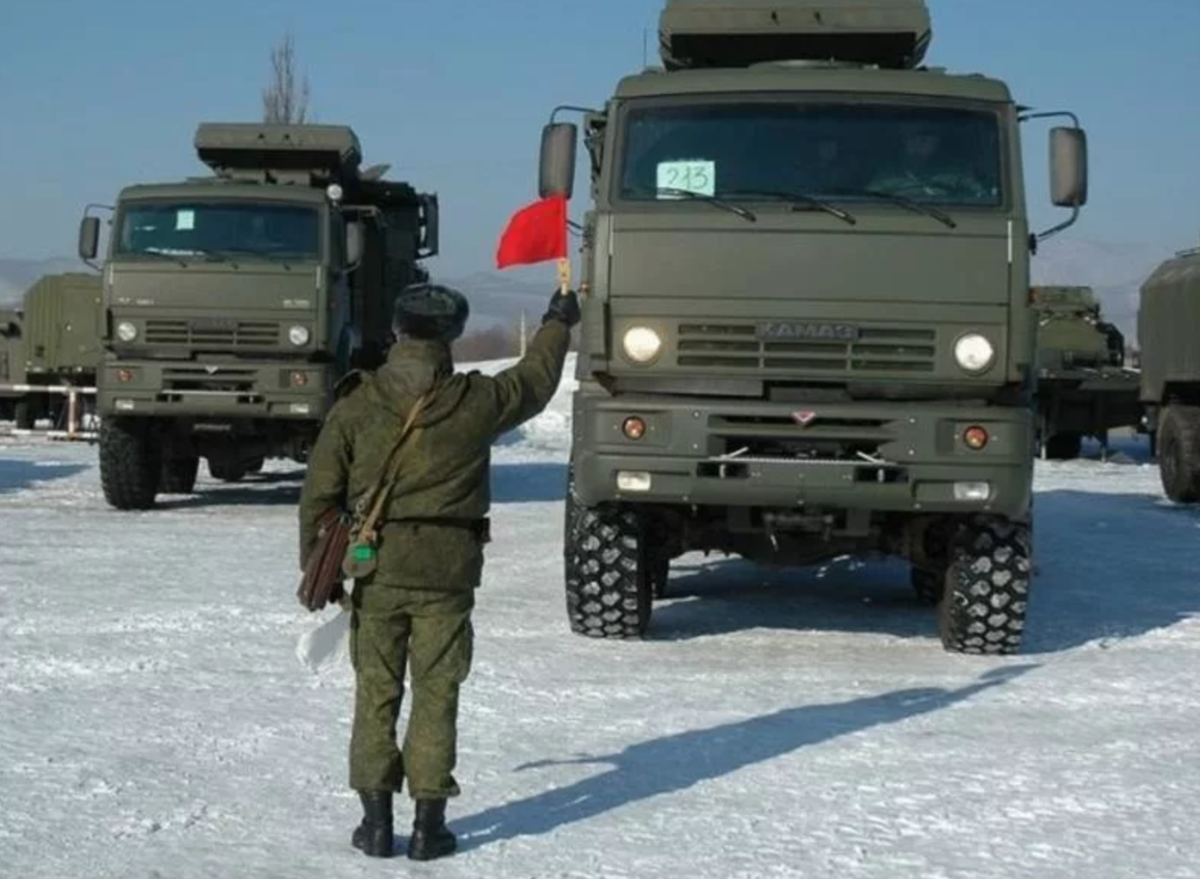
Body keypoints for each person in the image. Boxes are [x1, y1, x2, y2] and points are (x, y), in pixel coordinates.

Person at [297, 281, 578, 861]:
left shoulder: (357, 403)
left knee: (376, 690)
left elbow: (319, 496)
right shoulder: (476, 403)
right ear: (452, 336)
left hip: (377, 570)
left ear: (398, 332)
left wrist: (321, 571)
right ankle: (430, 828)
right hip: (449, 574)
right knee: (437, 692)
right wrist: (557, 320)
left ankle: (375, 825)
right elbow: (535, 381)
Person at [867, 119, 989, 200]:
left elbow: (980, 197)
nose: (921, 141)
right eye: (914, 136)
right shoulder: (888, 173)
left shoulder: (956, 172)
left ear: (937, 141)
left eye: (927, 136)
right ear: (904, 140)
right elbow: (869, 199)